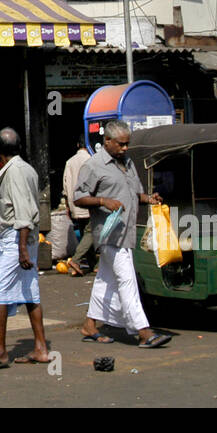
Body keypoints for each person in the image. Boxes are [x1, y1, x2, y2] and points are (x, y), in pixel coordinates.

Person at [76, 121, 171, 348]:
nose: (125, 148)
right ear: (107, 141)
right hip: (109, 235)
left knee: (105, 281)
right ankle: (143, 331)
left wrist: (149, 198)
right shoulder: (93, 166)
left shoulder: (127, 163)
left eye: (127, 144)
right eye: (121, 144)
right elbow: (78, 197)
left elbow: (135, 192)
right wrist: (102, 201)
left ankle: (90, 325)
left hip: (127, 232)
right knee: (127, 281)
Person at [0, 128, 51, 370]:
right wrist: (0, 228)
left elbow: (24, 214)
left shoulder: (15, 171)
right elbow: (21, 207)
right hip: (20, 236)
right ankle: (40, 348)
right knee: (29, 293)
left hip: (18, 241)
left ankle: (0, 351)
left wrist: (21, 249)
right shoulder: (26, 169)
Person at [61, 140, 93, 276]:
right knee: (91, 232)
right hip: (90, 202)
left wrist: (68, 205)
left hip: (75, 203)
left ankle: (93, 264)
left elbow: (65, 184)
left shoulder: (70, 162)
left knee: (85, 232)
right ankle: (76, 259)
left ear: (77, 145)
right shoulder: (92, 160)